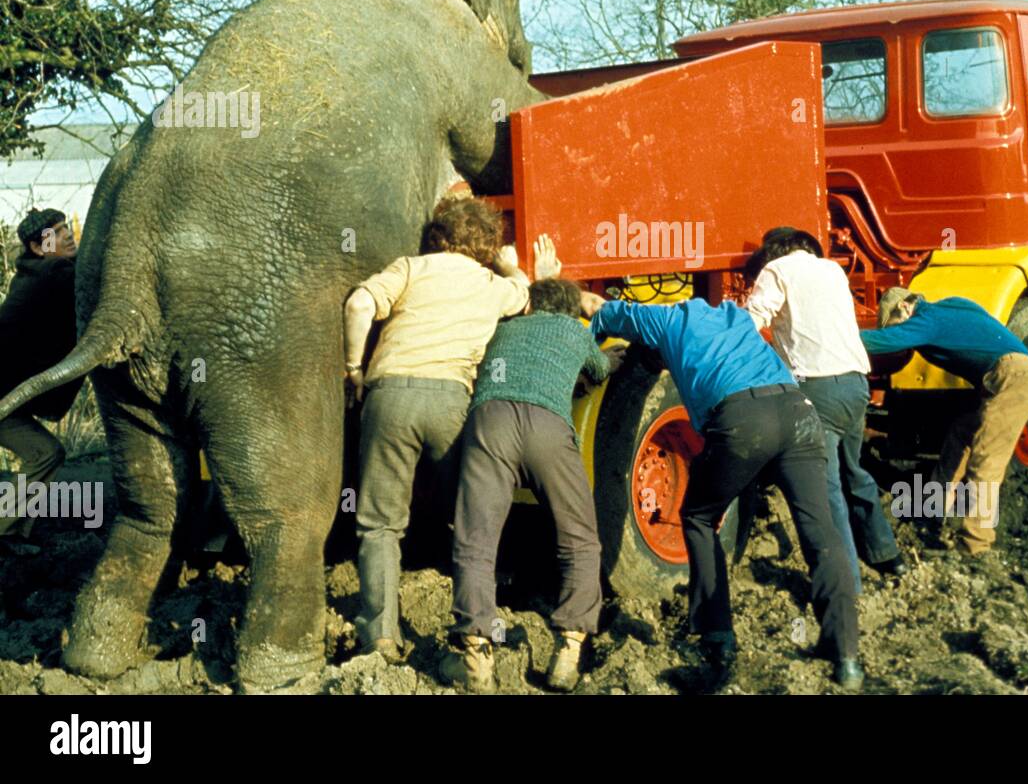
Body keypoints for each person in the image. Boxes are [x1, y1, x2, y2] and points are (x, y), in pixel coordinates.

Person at [584, 289, 863, 689]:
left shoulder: (665, 320)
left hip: (743, 421)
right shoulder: (735, 317)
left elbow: (605, 313)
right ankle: (846, 656)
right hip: (799, 413)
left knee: (698, 517)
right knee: (819, 529)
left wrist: (588, 340)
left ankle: (718, 640)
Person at [342, 195, 559, 661]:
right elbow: (526, 295)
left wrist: (354, 369)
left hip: (389, 397)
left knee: (379, 525)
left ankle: (380, 636)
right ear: (485, 246)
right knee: (469, 514)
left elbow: (359, 305)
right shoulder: (489, 283)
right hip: (452, 404)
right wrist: (514, 267)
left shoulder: (411, 267)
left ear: (439, 236)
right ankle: (472, 629)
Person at [440, 278, 625, 693]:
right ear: (568, 309)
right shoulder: (571, 330)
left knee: (476, 541)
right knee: (579, 538)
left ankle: (475, 660)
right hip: (547, 429)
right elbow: (597, 370)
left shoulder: (502, 330)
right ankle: (568, 653)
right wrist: (611, 359)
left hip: (491, 423)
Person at [744, 228, 906, 590]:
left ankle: (845, 584)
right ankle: (887, 556)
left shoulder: (776, 271)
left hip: (817, 390)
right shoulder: (832, 270)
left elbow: (752, 323)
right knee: (855, 472)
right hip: (855, 384)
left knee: (825, 489)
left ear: (774, 252)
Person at [861, 288, 1028, 556]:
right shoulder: (954, 305)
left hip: (1014, 380)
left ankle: (975, 547)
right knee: (962, 433)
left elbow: (888, 340)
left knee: (986, 459)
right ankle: (936, 510)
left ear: (904, 307)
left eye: (895, 322)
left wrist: (837, 338)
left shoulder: (927, 319)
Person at [0, 209, 83, 555]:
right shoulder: (53, 273)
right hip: (4, 400)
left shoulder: (35, 273)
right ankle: (6, 534)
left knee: (47, 454)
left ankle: (11, 534)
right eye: (56, 232)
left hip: (8, 398)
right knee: (46, 454)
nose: (66, 235)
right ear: (37, 246)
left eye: (66, 228)